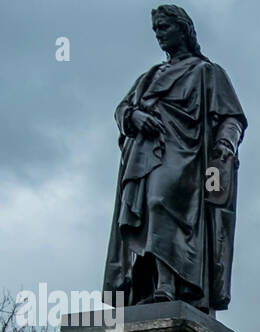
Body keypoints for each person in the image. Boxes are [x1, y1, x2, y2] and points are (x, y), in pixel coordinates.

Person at [104, 5, 247, 312]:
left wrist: (225, 144)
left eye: (164, 28)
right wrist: (135, 115)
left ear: (183, 30)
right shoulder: (150, 76)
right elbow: (122, 109)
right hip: (143, 154)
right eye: (156, 30)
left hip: (188, 157)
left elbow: (232, 118)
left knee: (159, 202)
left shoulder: (207, 72)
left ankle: (168, 284)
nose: (159, 35)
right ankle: (147, 287)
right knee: (142, 213)